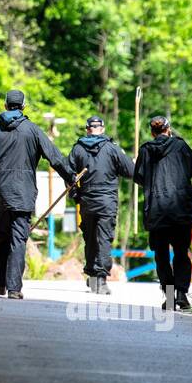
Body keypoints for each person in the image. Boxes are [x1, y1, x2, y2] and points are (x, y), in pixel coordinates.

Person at [0, 89, 71, 299]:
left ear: (5, 106)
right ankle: (14, 288)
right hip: (23, 194)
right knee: (18, 239)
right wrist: (71, 176)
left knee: (1, 236)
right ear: (23, 107)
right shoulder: (33, 130)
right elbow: (55, 157)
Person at [133, 115, 192, 311]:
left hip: (157, 210)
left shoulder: (146, 150)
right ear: (168, 130)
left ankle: (170, 296)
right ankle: (181, 294)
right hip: (180, 208)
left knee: (161, 254)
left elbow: (139, 177)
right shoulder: (180, 146)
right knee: (181, 252)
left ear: (152, 133)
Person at [67, 115, 134, 296]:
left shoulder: (78, 149)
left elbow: (68, 174)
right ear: (102, 129)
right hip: (107, 202)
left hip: (86, 201)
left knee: (90, 238)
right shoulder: (112, 149)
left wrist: (74, 194)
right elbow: (131, 171)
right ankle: (101, 279)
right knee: (103, 239)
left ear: (87, 129)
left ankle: (93, 274)